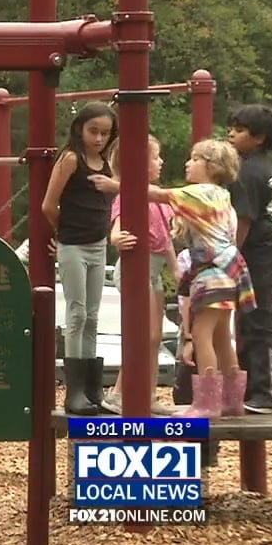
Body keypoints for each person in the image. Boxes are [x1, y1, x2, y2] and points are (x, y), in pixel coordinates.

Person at [146, 139, 256, 417]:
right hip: (230, 273)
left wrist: (115, 186)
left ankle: (207, 403)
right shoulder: (222, 196)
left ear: (213, 167)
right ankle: (232, 400)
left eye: (195, 159)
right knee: (222, 337)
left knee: (201, 334)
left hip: (211, 273)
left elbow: (156, 194)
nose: (188, 163)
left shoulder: (200, 192)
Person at [41, 102, 120, 416]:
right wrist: (63, 235)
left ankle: (92, 388)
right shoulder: (72, 159)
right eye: (93, 131)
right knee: (76, 313)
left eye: (105, 133)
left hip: (98, 245)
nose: (98, 138)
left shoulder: (107, 161)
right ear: (80, 129)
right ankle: (74, 391)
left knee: (93, 315)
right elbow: (49, 205)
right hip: (73, 245)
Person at [101, 134, 178, 416]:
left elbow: (166, 239)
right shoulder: (129, 196)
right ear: (138, 164)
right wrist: (116, 238)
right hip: (135, 269)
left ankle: (149, 394)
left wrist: (175, 267)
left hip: (154, 271)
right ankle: (119, 393)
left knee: (155, 336)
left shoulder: (158, 197)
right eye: (155, 157)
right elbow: (117, 225)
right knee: (141, 334)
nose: (161, 162)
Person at [226, 104, 272, 414]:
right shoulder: (264, 165)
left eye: (239, 130)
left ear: (259, 137)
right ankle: (253, 386)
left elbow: (244, 220)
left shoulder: (248, 172)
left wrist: (229, 255)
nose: (231, 134)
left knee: (260, 319)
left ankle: (270, 392)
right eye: (232, 128)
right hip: (264, 248)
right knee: (248, 319)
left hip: (258, 251)